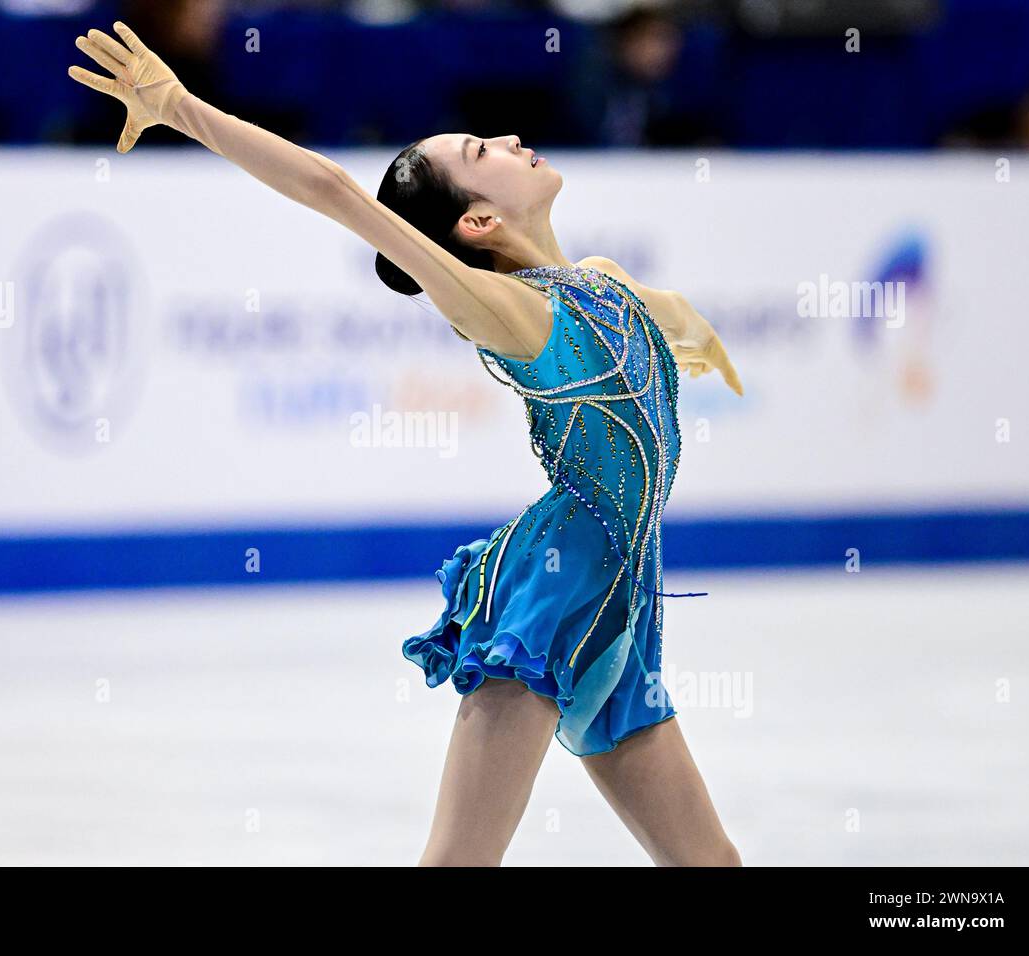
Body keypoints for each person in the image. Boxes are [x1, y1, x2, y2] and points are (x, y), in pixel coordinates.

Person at [69, 21, 743, 866]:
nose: (508, 138)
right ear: (480, 219)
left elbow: (653, 316)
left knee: (711, 864)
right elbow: (333, 191)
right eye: (481, 150)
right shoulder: (511, 312)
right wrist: (182, 107)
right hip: (550, 594)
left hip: (620, 602)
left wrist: (687, 330)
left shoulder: (601, 278)